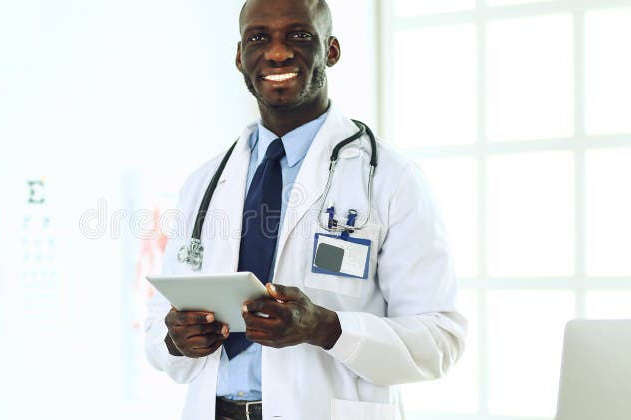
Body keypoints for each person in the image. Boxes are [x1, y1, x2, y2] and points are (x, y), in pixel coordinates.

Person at [144, 0, 467, 419]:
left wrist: (328, 328)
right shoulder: (204, 183)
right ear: (240, 57)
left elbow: (442, 341)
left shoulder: (391, 178)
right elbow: (157, 330)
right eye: (259, 38)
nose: (277, 53)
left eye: (298, 35)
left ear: (331, 50)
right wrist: (177, 339)